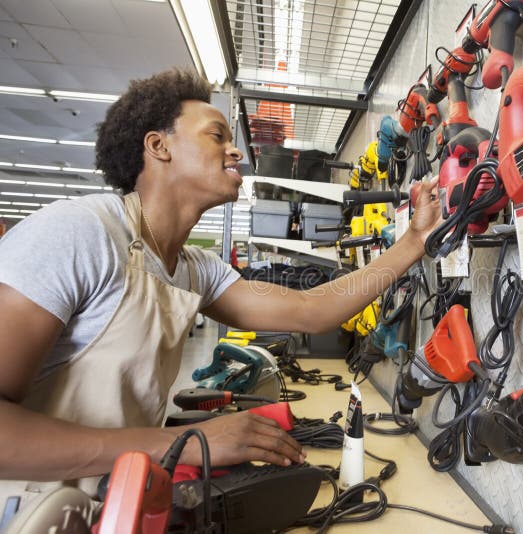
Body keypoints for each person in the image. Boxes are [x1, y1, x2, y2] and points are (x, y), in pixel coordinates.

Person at [0, 68, 440, 507]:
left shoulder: (195, 270)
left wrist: (414, 242)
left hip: (115, 502)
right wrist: (183, 444)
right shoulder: (80, 233)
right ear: (159, 146)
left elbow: (311, 309)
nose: (236, 151)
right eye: (217, 136)